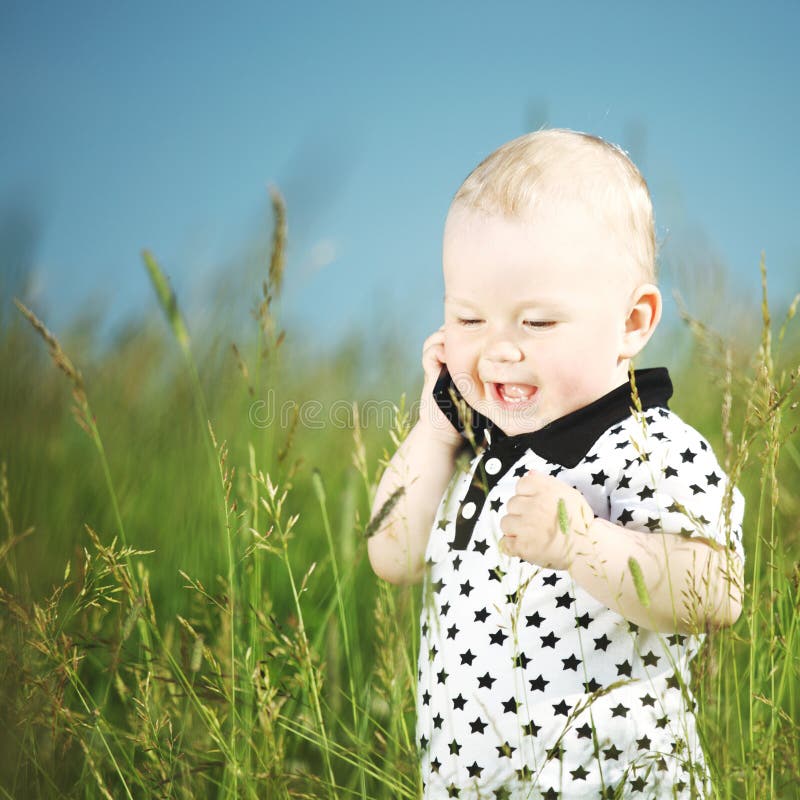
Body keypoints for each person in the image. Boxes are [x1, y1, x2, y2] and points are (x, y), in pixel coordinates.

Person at [367, 129, 744, 799]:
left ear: (632, 323)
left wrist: (584, 542)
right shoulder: (471, 449)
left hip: (615, 783)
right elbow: (391, 556)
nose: (498, 351)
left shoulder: (650, 446)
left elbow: (715, 591)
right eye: (469, 320)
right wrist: (433, 431)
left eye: (537, 323)